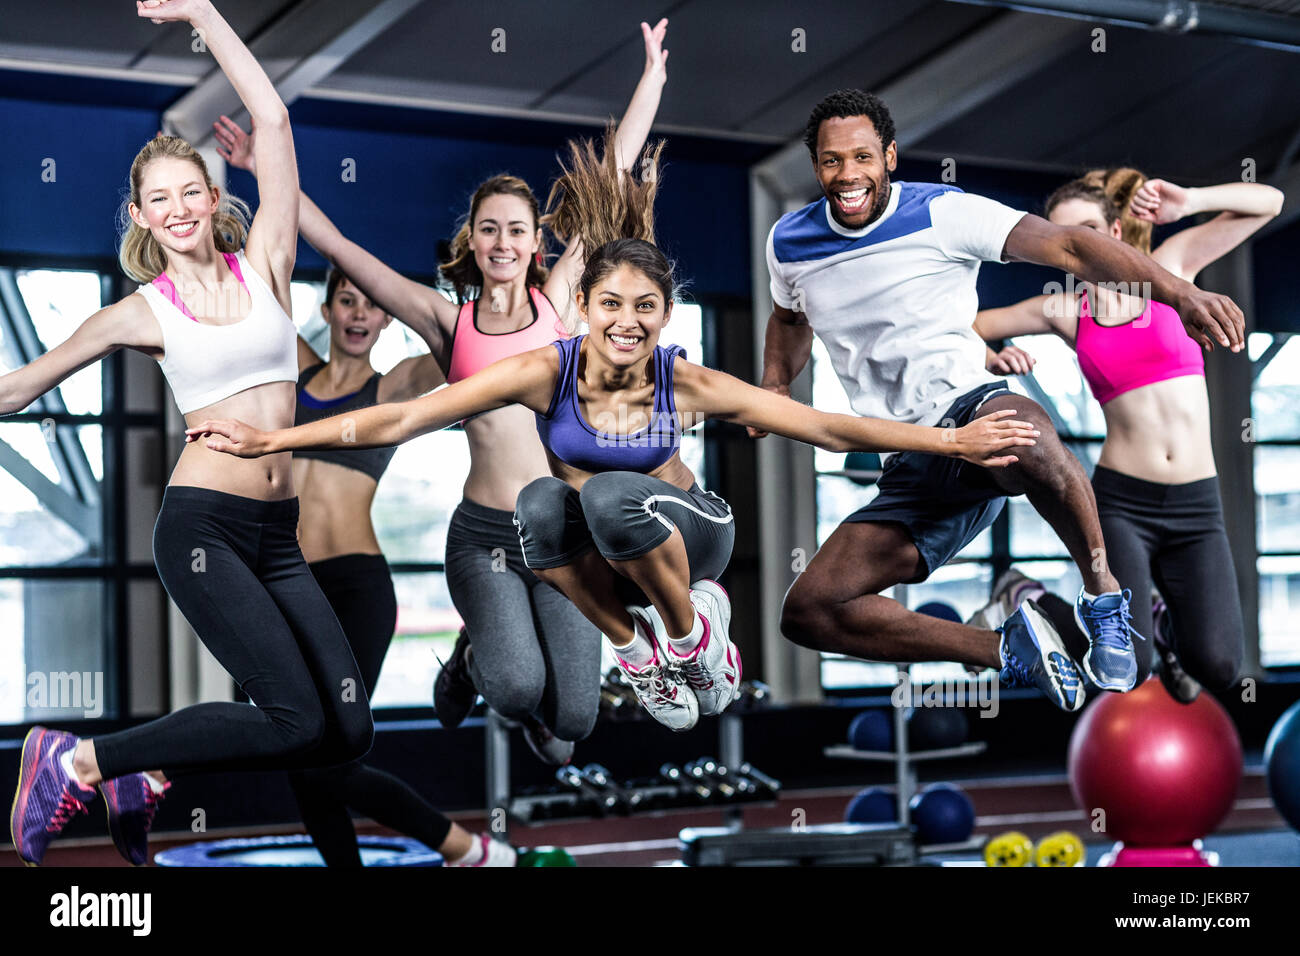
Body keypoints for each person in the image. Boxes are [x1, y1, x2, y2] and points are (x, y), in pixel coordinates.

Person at [186, 234, 1041, 732]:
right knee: (535, 507)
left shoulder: (684, 378)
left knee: (600, 495)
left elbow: (823, 426)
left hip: (695, 532)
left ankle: (692, 630)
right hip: (607, 548)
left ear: (662, 317)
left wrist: (951, 438)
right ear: (584, 306)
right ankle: (639, 653)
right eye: (611, 305)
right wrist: (273, 435)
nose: (627, 323)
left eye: (645, 308)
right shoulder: (540, 370)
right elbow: (398, 419)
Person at [211, 18, 673, 764]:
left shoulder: (558, 306)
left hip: (562, 535)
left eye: (516, 231)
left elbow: (613, 176)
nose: (501, 243)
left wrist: (651, 76)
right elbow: (339, 248)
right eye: (488, 230)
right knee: (518, 686)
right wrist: (262, 169)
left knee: (577, 721)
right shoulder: (443, 322)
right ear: (474, 241)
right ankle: (470, 660)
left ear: (534, 245)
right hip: (486, 537)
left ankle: (497, 669)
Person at [7, 0, 373, 867]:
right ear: (140, 217)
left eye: (188, 192)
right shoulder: (142, 311)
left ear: (214, 198)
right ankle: (83, 759)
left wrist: (204, 12)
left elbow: (274, 120)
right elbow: (23, 384)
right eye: (156, 200)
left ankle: (138, 771)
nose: (175, 209)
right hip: (202, 527)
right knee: (293, 715)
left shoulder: (270, 264)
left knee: (345, 727)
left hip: (277, 538)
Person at [759, 90, 1246, 709]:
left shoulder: (944, 211)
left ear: (889, 155)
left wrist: (1178, 294)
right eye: (831, 162)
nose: (848, 175)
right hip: (909, 458)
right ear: (815, 165)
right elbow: (788, 318)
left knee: (1030, 437)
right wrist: (776, 382)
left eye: (861, 157)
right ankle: (1004, 647)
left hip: (973, 411)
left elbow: (1070, 248)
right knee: (808, 610)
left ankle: (1102, 594)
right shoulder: (789, 243)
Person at [970, 168, 1281, 701]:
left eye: (1091, 231)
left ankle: (1159, 625)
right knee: (1128, 667)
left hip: (1196, 506)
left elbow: (1269, 201)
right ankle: (1021, 594)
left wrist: (1193, 199)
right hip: (1121, 504)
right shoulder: (1066, 311)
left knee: (1221, 665)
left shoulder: (1171, 269)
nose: (1083, 247)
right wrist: (990, 358)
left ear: (1115, 233)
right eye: (1069, 240)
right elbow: (969, 324)